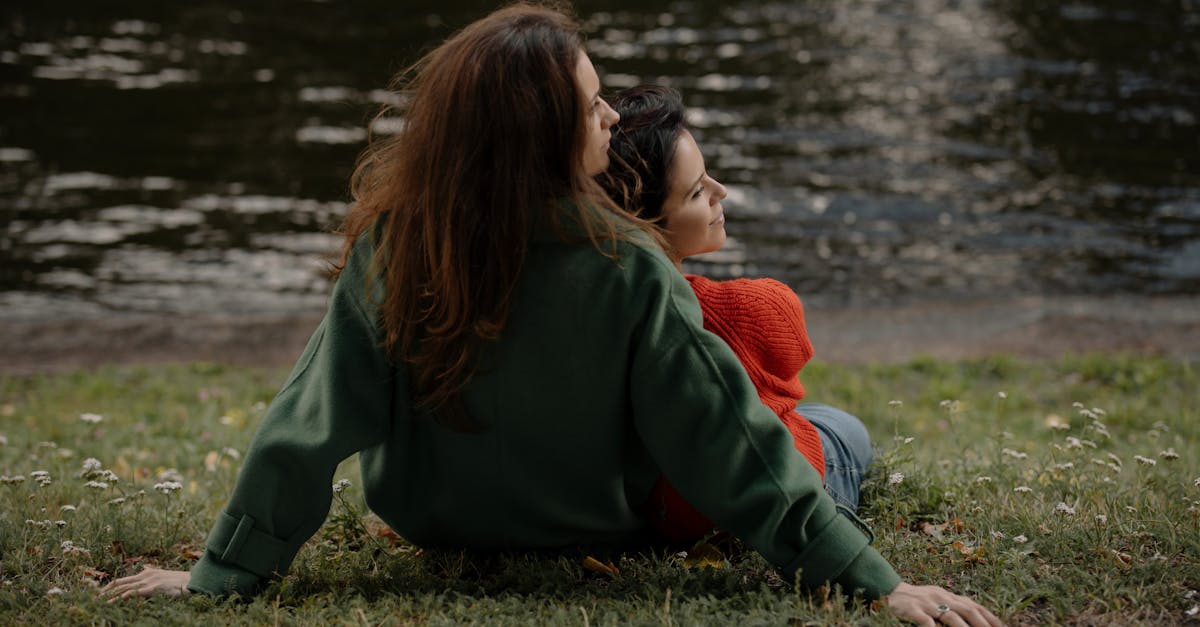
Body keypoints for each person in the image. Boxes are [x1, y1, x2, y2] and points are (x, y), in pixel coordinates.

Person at [101, 4, 1002, 625]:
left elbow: (303, 429)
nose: (613, 116)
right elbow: (731, 442)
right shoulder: (630, 269)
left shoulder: (399, 249)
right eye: (593, 103)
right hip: (593, 534)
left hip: (435, 524)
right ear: (543, 137)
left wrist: (222, 576)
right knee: (836, 428)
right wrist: (874, 582)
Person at [600, 85, 872, 541]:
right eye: (695, 192)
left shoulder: (597, 302)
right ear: (642, 222)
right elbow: (789, 331)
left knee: (809, 410)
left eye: (708, 177)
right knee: (846, 428)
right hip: (764, 502)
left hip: (658, 507)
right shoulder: (733, 309)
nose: (719, 191)